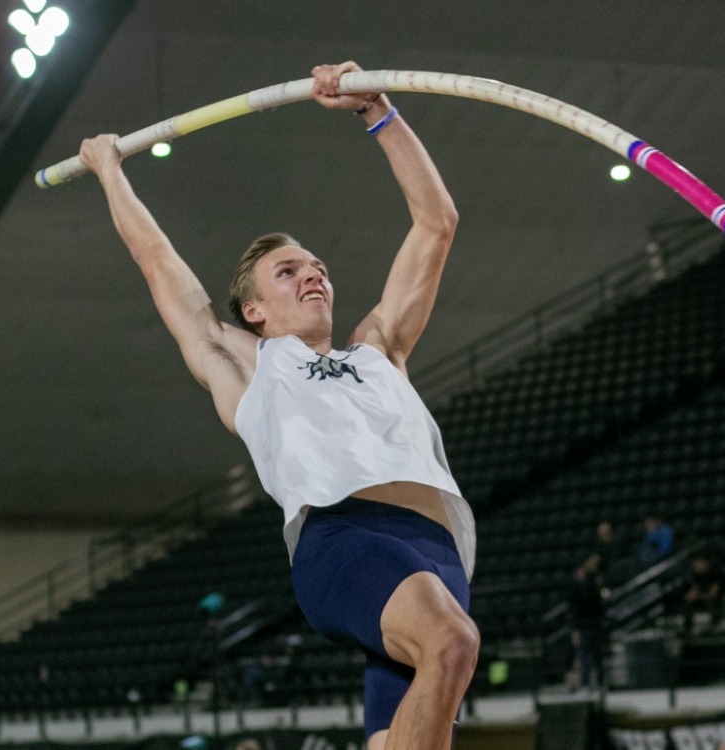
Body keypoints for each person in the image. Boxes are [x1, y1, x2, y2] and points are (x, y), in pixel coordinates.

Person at [78, 61, 474, 750]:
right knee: (451, 644)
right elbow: (159, 265)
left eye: (316, 266)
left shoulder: (378, 349)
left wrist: (375, 108)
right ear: (253, 309)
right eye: (287, 271)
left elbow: (436, 223)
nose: (312, 274)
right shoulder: (251, 369)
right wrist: (110, 170)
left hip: (436, 553)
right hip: (344, 542)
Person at [567, 554, 606, 690]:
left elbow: (597, 605)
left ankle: (592, 682)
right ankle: (589, 682)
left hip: (591, 623)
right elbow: (574, 608)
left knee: (593, 654)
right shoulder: (583, 586)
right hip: (587, 624)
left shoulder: (591, 584)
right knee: (588, 654)